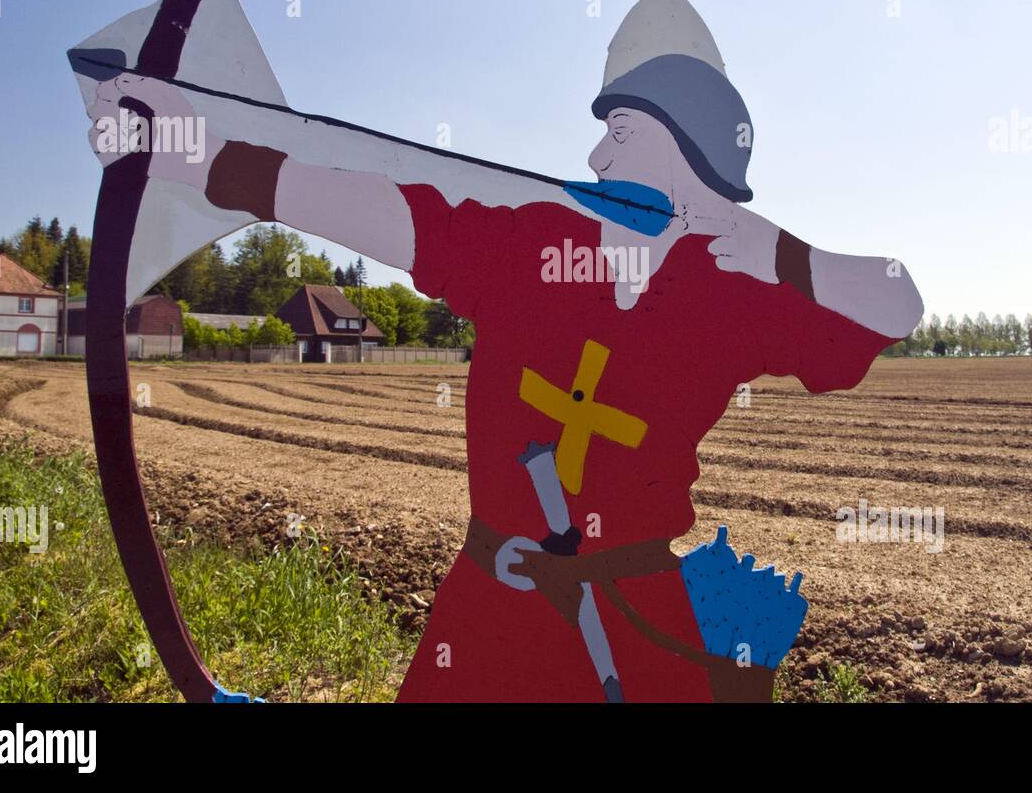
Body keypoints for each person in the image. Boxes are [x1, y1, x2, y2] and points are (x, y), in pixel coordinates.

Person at [87, 38, 921, 701]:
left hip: (634, 616)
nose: (595, 158)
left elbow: (897, 304)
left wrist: (784, 253)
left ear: (686, 156)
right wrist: (188, 152)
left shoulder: (735, 291)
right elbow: (383, 211)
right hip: (493, 610)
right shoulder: (532, 248)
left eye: (621, 134)